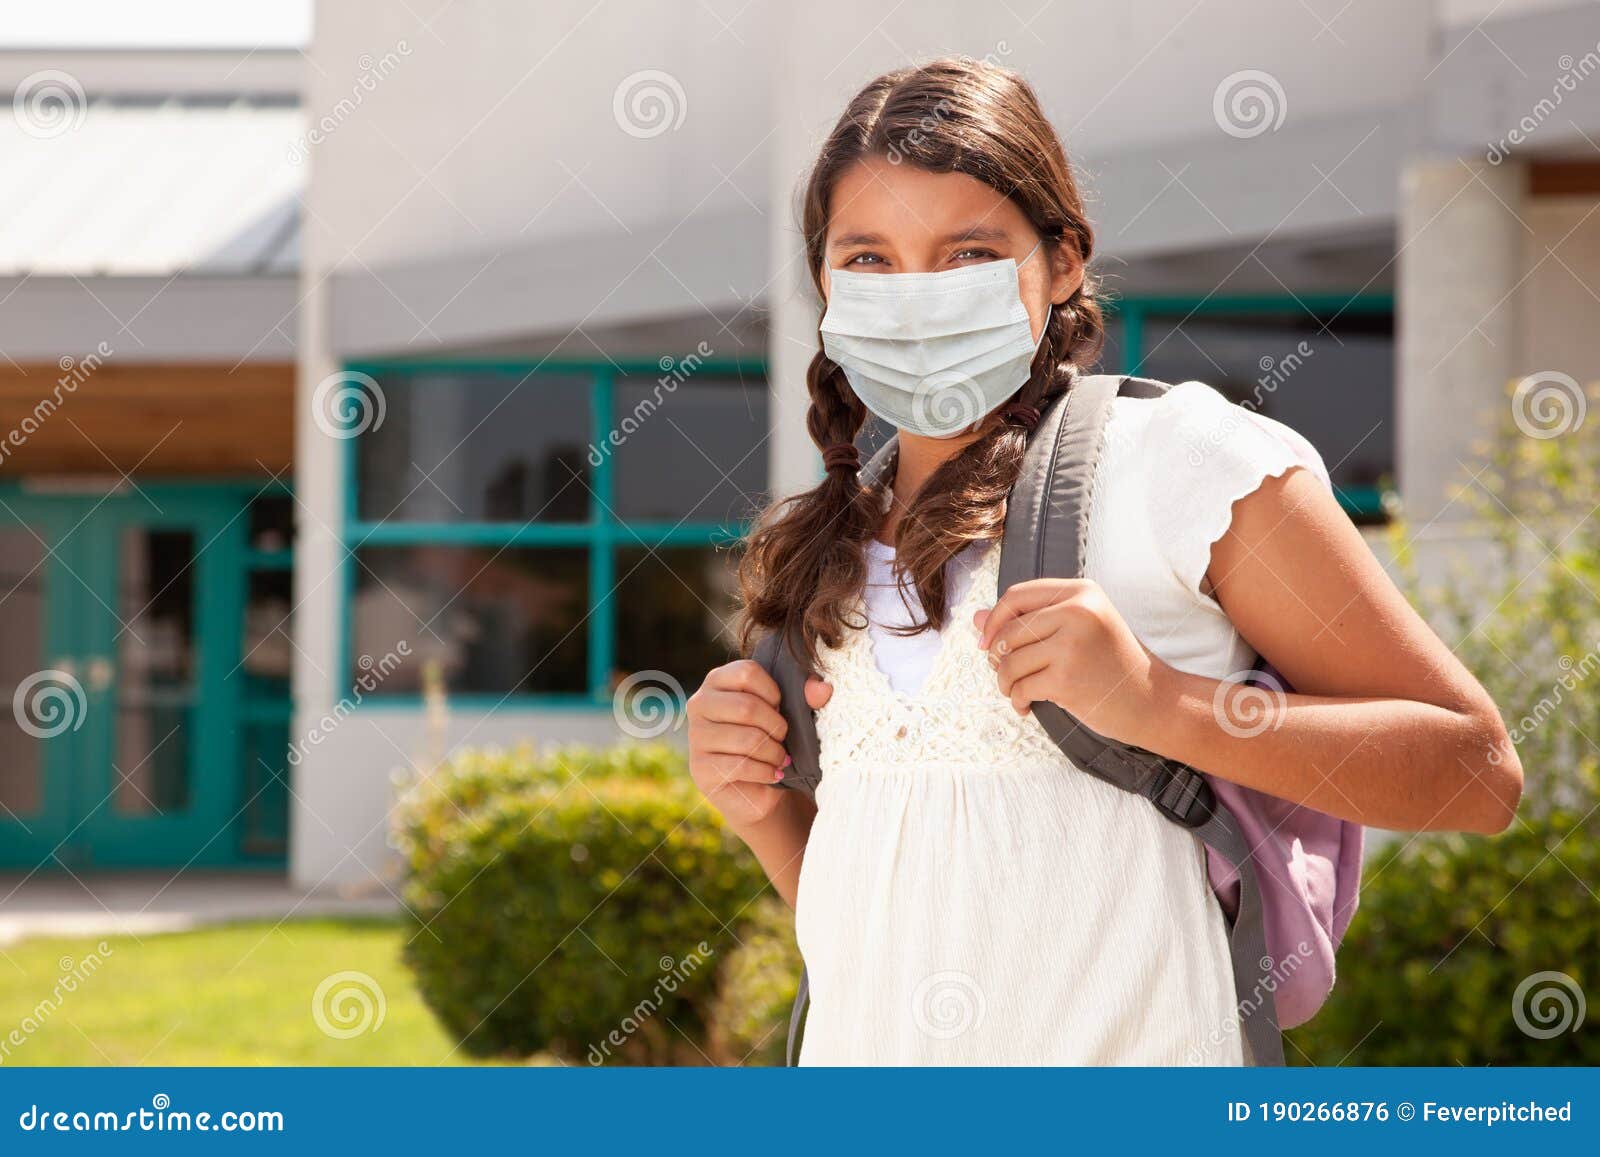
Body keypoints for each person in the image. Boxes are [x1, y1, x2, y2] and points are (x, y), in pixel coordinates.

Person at [685, 56, 1521, 1065]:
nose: (915, 297)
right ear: (822, 279)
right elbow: (882, 921)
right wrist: (765, 813)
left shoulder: (1184, 462)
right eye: (869, 259)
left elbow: (1475, 772)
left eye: (967, 254)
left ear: (1063, 258)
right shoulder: (821, 545)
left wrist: (1159, 702)